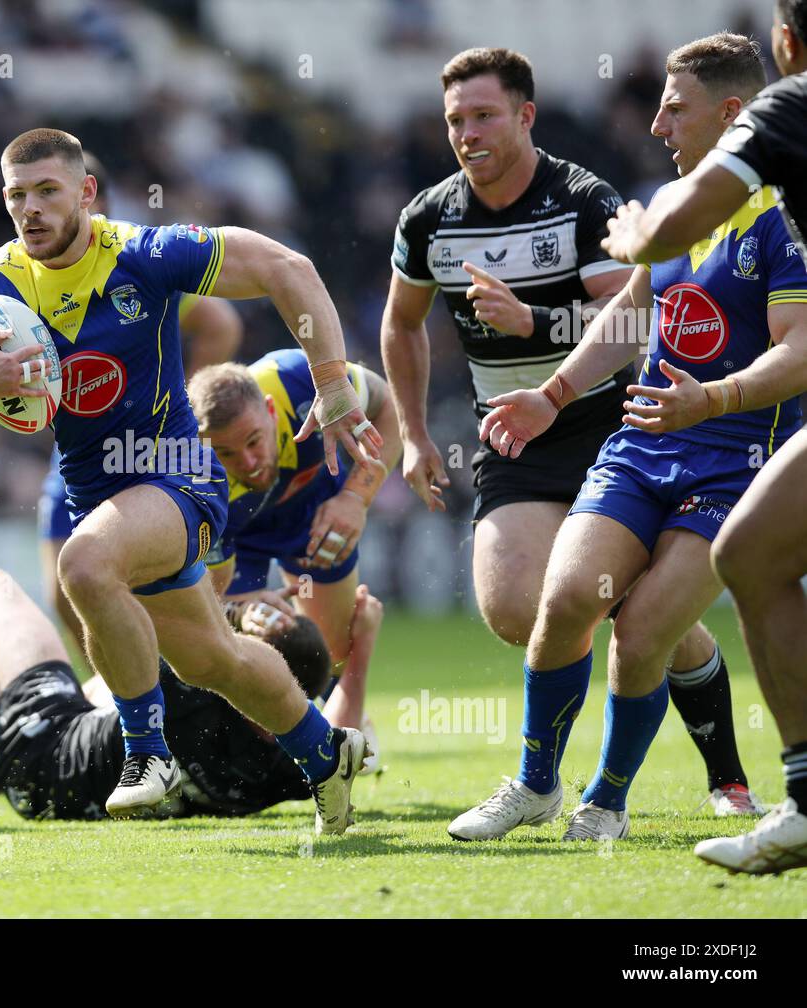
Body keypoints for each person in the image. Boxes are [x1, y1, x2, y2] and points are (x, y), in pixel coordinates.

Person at [0, 127, 382, 833]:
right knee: (213, 660)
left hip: (180, 480)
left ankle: (146, 753)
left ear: (86, 192)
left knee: (86, 564)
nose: (30, 209)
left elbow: (288, 265)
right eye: (16, 196)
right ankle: (324, 755)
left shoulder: (144, 254)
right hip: (100, 495)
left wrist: (333, 379)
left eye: (47, 191)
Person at [449, 34, 807, 843]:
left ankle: (605, 800)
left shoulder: (787, 222)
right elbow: (630, 314)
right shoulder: (680, 209)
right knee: (568, 600)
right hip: (645, 444)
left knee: (645, 630)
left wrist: (710, 399)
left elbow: (801, 352)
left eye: (674, 108)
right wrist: (552, 391)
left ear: (733, 115)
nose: (656, 125)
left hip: (737, 463)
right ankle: (537, 785)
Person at [382, 46, 751, 813]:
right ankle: (575, 757)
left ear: (525, 116)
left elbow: (638, 316)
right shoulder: (429, 218)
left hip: (609, 423)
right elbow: (401, 324)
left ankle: (720, 776)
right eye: (455, 120)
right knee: (520, 607)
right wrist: (415, 434)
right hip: (512, 434)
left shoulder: (583, 199)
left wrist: (534, 321)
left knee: (628, 608)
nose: (467, 133)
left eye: (484, 115)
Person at [601, 1, 807, 873]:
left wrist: (639, 232)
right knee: (753, 551)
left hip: (733, 437)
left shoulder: (789, 107)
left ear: (788, 43)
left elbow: (690, 209)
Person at [0, 567, 381, 822]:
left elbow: (124, 612)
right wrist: (358, 653)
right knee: (111, 701)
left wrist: (236, 608)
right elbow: (342, 745)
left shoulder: (196, 684)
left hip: (41, 748)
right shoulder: (290, 768)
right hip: (57, 800)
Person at [38, 152, 241, 658]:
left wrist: (177, 402)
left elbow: (221, 325)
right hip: (75, 453)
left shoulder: (135, 262)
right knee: (67, 589)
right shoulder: (29, 274)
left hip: (149, 447)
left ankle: (153, 702)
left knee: (135, 584)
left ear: (93, 200)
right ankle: (113, 694)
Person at [189, 349, 400, 695]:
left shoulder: (304, 381)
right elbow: (206, 604)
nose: (249, 462)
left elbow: (388, 407)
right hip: (233, 541)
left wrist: (355, 498)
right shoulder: (196, 482)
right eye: (225, 453)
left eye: (254, 440)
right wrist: (237, 611)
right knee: (237, 662)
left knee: (330, 658)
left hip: (312, 517)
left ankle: (342, 737)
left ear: (271, 411)